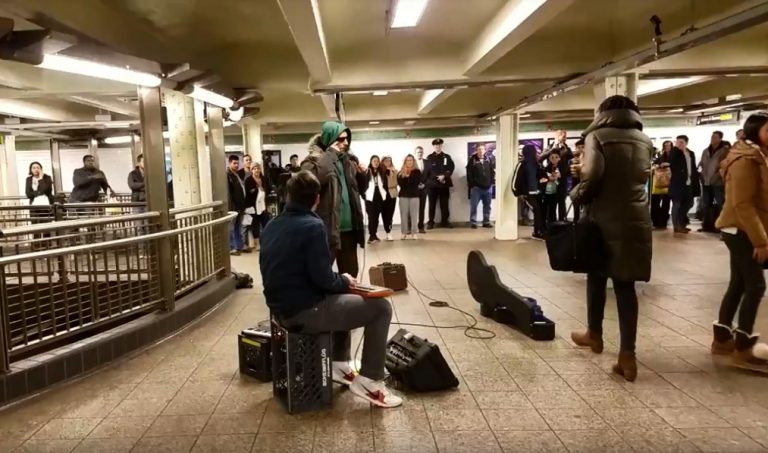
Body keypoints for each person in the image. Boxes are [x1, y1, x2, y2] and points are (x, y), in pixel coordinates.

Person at [259, 170, 400, 407]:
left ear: (288, 196)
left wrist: (341, 282)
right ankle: (370, 381)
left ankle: (338, 363)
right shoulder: (313, 226)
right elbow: (323, 280)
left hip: (279, 311)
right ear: (317, 199)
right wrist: (344, 280)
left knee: (344, 292)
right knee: (381, 308)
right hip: (304, 312)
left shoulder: (272, 225)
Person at [569, 95, 653, 382]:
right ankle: (627, 355)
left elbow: (592, 179)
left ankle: (595, 333)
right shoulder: (644, 140)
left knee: (596, 273)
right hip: (636, 217)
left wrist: (576, 190)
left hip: (603, 219)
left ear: (604, 113)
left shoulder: (598, 137)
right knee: (625, 286)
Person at [711, 113, 768, 369]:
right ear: (756, 131)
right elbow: (743, 204)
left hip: (743, 228)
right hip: (740, 229)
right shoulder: (746, 160)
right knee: (755, 285)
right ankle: (743, 347)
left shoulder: (758, 155)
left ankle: (723, 338)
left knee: (739, 282)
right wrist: (761, 241)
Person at [301, 121, 366, 278]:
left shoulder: (348, 161)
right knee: (321, 275)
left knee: (351, 275)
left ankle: (348, 303)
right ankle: (322, 303)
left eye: (346, 139)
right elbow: (312, 184)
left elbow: (359, 190)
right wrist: (329, 154)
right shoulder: (311, 161)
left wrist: (363, 175)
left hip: (348, 230)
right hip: (326, 230)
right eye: (340, 139)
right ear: (329, 139)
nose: (345, 143)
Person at [699, 131, 729, 233]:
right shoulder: (706, 151)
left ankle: (723, 228)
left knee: (721, 203)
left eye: (715, 137)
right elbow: (702, 164)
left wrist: (716, 177)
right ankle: (706, 225)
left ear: (720, 139)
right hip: (706, 182)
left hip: (718, 182)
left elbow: (724, 166)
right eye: (712, 137)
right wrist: (702, 174)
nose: (713, 139)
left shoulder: (725, 151)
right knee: (705, 204)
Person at [668, 135, 699, 234]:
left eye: (681, 142)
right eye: (677, 142)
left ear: (686, 143)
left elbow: (693, 167)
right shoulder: (674, 152)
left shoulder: (691, 153)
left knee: (689, 202)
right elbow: (671, 161)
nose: (679, 144)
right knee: (676, 204)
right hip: (677, 183)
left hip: (689, 182)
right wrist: (677, 150)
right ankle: (677, 226)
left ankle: (682, 223)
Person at [540, 130, 573, 221]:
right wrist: (552, 150)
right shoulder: (550, 147)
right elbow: (541, 157)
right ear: (557, 137)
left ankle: (562, 221)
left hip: (561, 179)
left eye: (565, 137)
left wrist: (564, 148)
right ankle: (550, 222)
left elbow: (571, 156)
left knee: (562, 201)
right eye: (563, 137)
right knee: (551, 202)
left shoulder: (566, 148)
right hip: (551, 179)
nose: (565, 139)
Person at [424, 138, 455, 229]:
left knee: (444, 204)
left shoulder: (447, 157)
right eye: (436, 145)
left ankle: (445, 221)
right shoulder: (429, 157)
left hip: (444, 185)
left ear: (441, 146)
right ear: (433, 146)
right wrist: (438, 177)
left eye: (439, 145)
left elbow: (451, 168)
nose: (438, 146)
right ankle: (430, 222)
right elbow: (428, 171)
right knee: (431, 204)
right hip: (432, 185)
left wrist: (444, 176)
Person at [519, 144, 545, 239]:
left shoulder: (536, 163)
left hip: (537, 192)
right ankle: (540, 232)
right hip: (527, 194)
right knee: (537, 210)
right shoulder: (522, 164)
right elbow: (519, 179)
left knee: (540, 211)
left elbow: (541, 175)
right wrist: (520, 193)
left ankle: (537, 232)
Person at [466, 143, 495, 229]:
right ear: (476, 150)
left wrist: (492, 182)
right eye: (479, 149)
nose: (481, 151)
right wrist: (472, 184)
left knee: (487, 206)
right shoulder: (472, 160)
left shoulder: (489, 159)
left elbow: (492, 171)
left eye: (482, 149)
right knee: (474, 206)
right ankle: (473, 222)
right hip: (476, 188)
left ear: (485, 150)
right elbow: (469, 173)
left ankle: (486, 222)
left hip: (488, 187)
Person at [245, 163, 272, 248]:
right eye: (255, 168)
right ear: (252, 170)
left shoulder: (264, 179)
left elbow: (269, 189)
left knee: (266, 223)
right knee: (255, 225)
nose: (257, 170)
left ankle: (267, 241)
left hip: (263, 205)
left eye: (258, 168)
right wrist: (257, 188)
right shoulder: (248, 180)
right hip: (253, 205)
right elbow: (249, 192)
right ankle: (257, 244)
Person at [227, 154, 249, 255]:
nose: (236, 165)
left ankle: (239, 246)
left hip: (240, 205)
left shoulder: (236, 175)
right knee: (231, 228)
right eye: (234, 163)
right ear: (229, 163)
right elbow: (229, 193)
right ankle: (232, 248)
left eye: (237, 163)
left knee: (237, 227)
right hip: (233, 206)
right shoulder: (228, 175)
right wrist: (233, 207)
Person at [397, 154, 422, 240]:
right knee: (404, 214)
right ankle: (404, 232)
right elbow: (401, 184)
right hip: (403, 196)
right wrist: (406, 178)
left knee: (414, 215)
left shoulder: (417, 171)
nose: (409, 162)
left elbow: (415, 183)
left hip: (414, 195)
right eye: (408, 160)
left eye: (411, 160)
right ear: (405, 162)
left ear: (413, 161)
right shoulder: (400, 172)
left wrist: (408, 177)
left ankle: (414, 232)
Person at [650, 141, 673, 229]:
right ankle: (656, 221)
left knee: (666, 202)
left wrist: (668, 165)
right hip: (659, 181)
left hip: (668, 182)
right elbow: (655, 164)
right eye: (665, 145)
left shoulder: (673, 157)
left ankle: (662, 222)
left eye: (668, 145)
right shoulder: (660, 156)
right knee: (655, 201)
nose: (667, 147)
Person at [25, 161, 54, 229]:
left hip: (46, 206)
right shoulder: (28, 179)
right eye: (33, 168)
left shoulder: (47, 177)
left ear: (41, 169)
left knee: (46, 228)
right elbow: (28, 194)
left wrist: (41, 179)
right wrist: (39, 192)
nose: (36, 169)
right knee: (35, 228)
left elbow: (46, 190)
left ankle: (46, 240)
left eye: (38, 167)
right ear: (31, 170)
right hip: (34, 206)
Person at [364, 155, 385, 243]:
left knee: (376, 217)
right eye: (374, 161)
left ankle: (374, 234)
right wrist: (363, 194)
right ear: (371, 162)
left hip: (379, 196)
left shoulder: (381, 171)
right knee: (371, 216)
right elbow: (363, 183)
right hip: (370, 197)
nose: (376, 163)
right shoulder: (367, 171)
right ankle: (371, 235)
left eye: (377, 161)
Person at [539, 151, 562, 227]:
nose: (554, 159)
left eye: (556, 157)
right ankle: (543, 228)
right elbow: (544, 179)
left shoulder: (560, 169)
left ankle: (553, 228)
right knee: (544, 211)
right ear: (549, 158)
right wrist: (553, 178)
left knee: (553, 211)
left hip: (554, 193)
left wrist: (555, 178)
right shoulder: (545, 169)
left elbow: (559, 182)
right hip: (545, 193)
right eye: (552, 157)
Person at [380, 156, 398, 241]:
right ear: (382, 162)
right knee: (384, 214)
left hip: (391, 195)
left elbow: (394, 184)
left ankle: (389, 232)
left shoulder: (394, 171)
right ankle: (386, 230)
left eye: (389, 161)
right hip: (382, 196)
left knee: (390, 214)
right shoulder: (379, 172)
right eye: (386, 161)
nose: (388, 162)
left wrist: (391, 173)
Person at [414, 146, 428, 233]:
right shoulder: (411, 162)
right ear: (415, 153)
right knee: (412, 209)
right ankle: (410, 227)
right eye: (418, 152)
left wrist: (424, 184)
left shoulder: (427, 162)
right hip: (414, 189)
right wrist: (416, 185)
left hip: (423, 189)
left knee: (421, 209)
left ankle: (421, 227)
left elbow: (430, 175)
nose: (420, 153)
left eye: (421, 152)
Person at [571, 139, 585, 223]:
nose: (580, 149)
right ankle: (575, 223)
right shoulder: (573, 160)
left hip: (585, 186)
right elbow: (567, 173)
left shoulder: (590, 158)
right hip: (575, 186)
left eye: (583, 147)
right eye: (578, 147)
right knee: (576, 206)